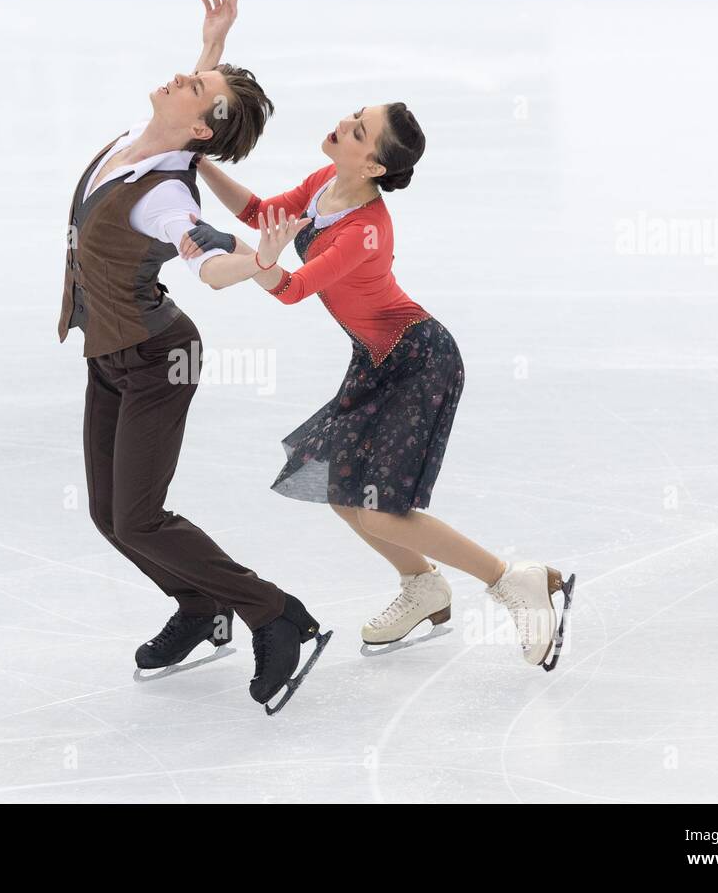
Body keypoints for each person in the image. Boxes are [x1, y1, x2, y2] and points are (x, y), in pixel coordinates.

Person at [181, 102, 576, 669]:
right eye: (353, 117)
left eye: (357, 131)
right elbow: (263, 213)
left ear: (371, 166)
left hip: (420, 362)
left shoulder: (365, 230)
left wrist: (250, 257)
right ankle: (422, 585)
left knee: (381, 511)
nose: (342, 125)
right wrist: (203, 163)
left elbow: (290, 288)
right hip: (375, 360)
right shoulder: (326, 183)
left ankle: (514, 579)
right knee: (344, 492)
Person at [57, 0, 331, 711]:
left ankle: (278, 615)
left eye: (197, 84)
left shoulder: (166, 196)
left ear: (202, 128)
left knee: (140, 517)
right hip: (113, 354)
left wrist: (259, 262)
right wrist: (215, 45)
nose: (184, 78)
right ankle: (200, 605)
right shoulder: (143, 142)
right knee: (110, 516)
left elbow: (209, 266)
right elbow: (195, 107)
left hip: (157, 361)